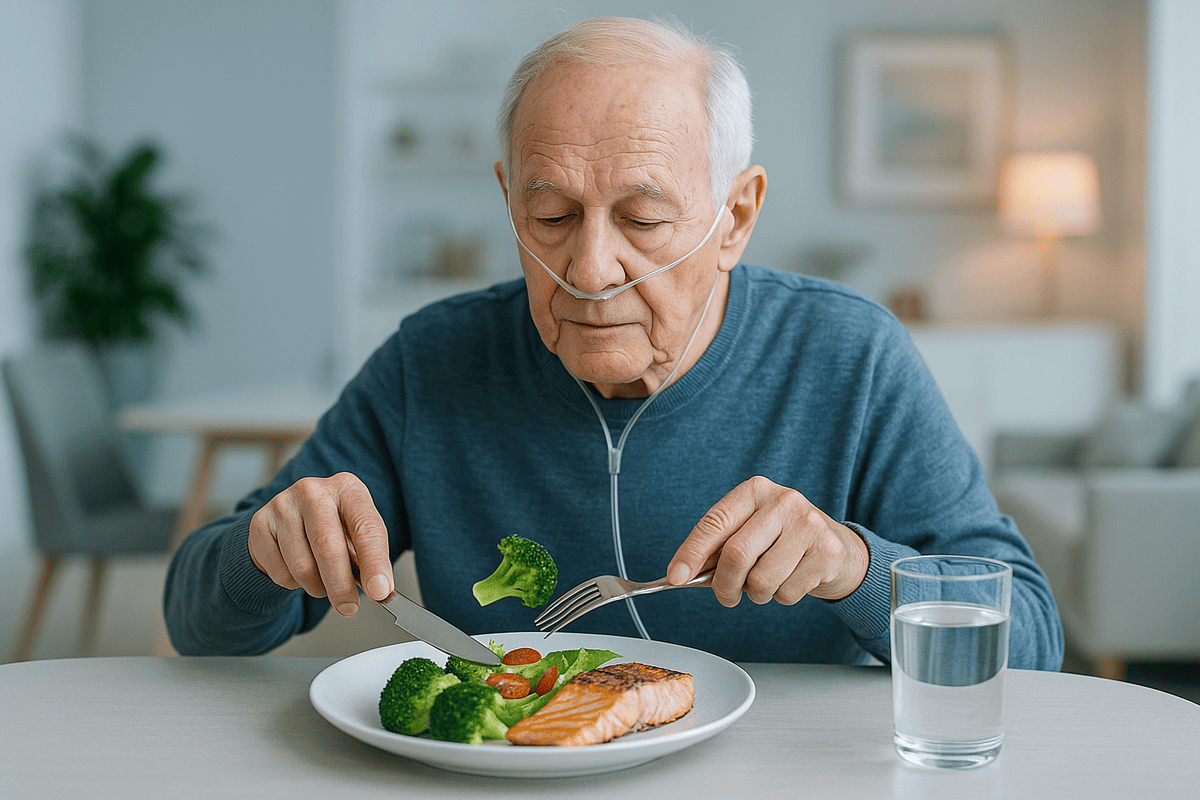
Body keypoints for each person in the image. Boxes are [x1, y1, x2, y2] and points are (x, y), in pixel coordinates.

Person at [164, 17, 1063, 667]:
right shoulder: (429, 362)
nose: (590, 270)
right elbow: (197, 622)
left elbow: (1028, 633)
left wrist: (857, 567)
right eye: (550, 216)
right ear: (507, 199)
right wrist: (263, 550)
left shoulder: (850, 355)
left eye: (642, 218)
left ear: (734, 217)